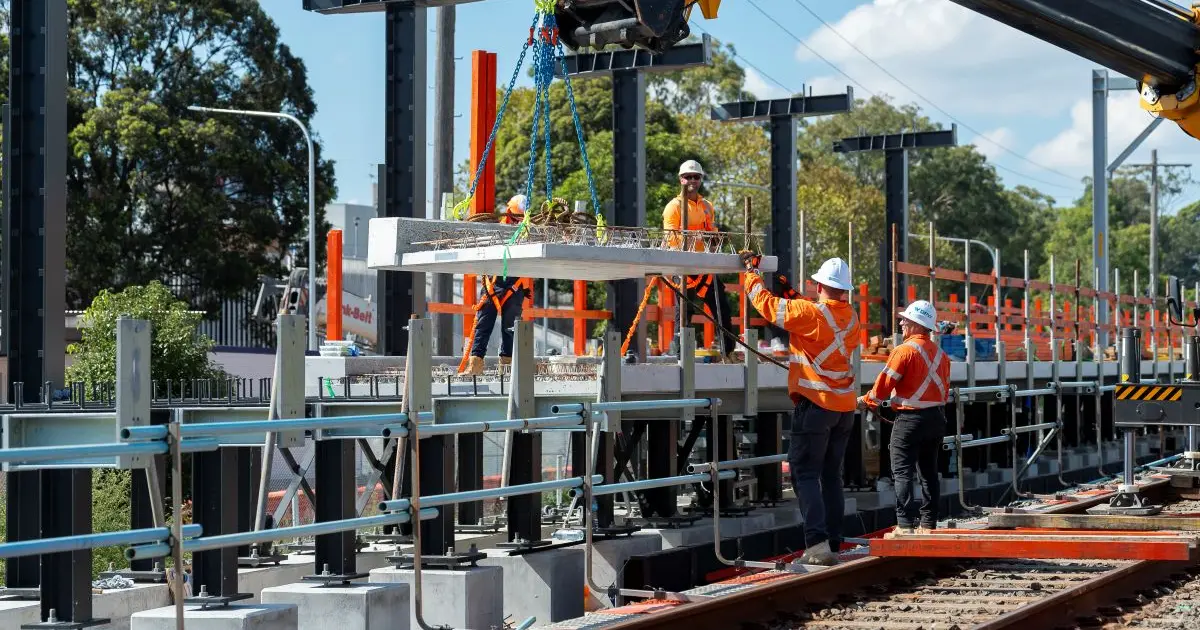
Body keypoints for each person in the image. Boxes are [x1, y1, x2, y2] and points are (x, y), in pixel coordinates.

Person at [741, 254, 861, 565]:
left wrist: (751, 274)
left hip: (816, 404)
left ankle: (817, 543)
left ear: (819, 285)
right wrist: (798, 299)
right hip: (843, 408)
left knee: (805, 473)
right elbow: (821, 321)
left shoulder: (808, 312)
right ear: (844, 290)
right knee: (831, 475)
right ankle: (834, 542)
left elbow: (766, 305)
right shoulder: (852, 317)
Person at [858, 300, 950, 535]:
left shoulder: (904, 351)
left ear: (917, 324)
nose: (901, 323)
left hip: (910, 420)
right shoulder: (941, 355)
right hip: (936, 419)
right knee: (929, 472)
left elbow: (883, 385)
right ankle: (928, 524)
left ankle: (905, 524)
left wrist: (867, 401)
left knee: (902, 472)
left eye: (905, 320)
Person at [663, 159, 737, 361]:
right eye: (688, 177)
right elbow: (671, 238)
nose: (692, 180)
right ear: (681, 179)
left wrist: (715, 238)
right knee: (683, 311)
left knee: (721, 305)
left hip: (703, 266)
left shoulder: (706, 206)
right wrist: (692, 238)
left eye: (696, 177)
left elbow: (711, 231)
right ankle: (680, 354)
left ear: (701, 179)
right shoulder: (674, 207)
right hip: (683, 265)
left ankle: (728, 351)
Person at [461, 195, 533, 376]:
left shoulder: (529, 229)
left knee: (510, 328)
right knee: (483, 324)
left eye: (521, 217)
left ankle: (507, 368)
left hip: (514, 287)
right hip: (493, 284)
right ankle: (475, 365)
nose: (518, 220)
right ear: (509, 211)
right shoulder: (498, 227)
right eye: (516, 216)